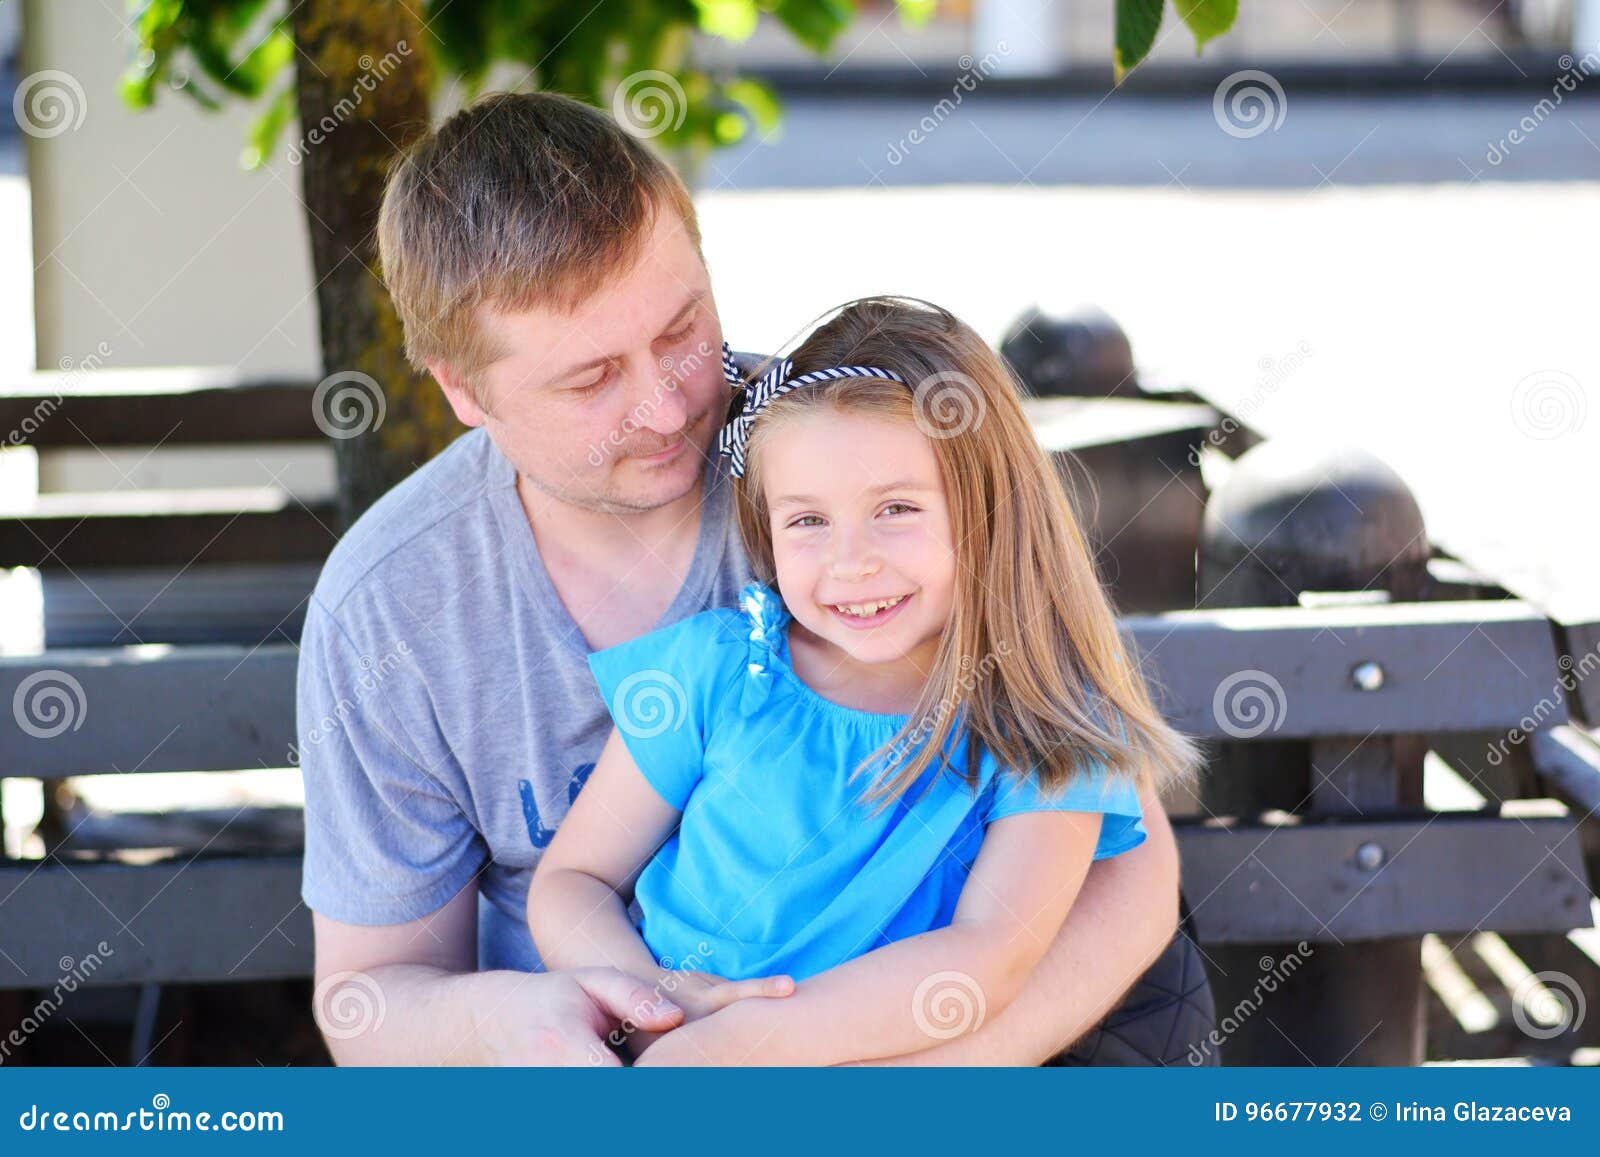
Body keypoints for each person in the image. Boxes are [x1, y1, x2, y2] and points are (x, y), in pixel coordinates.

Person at [298, 90, 1210, 1066]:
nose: (664, 404)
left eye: (683, 328)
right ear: (463, 391)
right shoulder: (388, 608)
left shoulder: (844, 448)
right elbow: (369, 992)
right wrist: (512, 1019)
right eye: (591, 377)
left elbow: (1127, 860)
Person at [526, 299, 1204, 1064]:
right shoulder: (716, 671)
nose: (853, 561)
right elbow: (572, 881)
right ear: (765, 525)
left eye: (895, 508)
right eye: (808, 521)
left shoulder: (1038, 726)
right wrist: (651, 996)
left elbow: (986, 957)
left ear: (986, 513)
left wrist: (752, 1042)